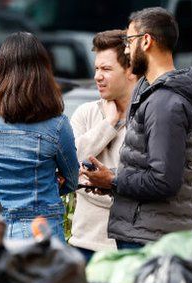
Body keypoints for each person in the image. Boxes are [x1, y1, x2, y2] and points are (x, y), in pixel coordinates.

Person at [81, 7, 192, 247]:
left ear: (146, 41)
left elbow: (163, 181)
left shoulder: (165, 103)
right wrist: (113, 182)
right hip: (149, 233)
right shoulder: (153, 94)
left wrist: (113, 180)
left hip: (150, 240)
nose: (127, 50)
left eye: (129, 42)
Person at [0, 32, 78, 241]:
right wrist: (52, 182)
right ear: (43, 70)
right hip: (40, 230)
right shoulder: (57, 123)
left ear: (0, 68)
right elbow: (72, 179)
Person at [69, 29, 137, 260]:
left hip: (130, 244)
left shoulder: (146, 116)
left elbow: (142, 179)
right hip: (84, 241)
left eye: (106, 69)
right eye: (97, 68)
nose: (98, 76)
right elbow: (69, 161)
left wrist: (109, 182)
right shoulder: (85, 113)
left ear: (130, 71)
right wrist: (108, 124)